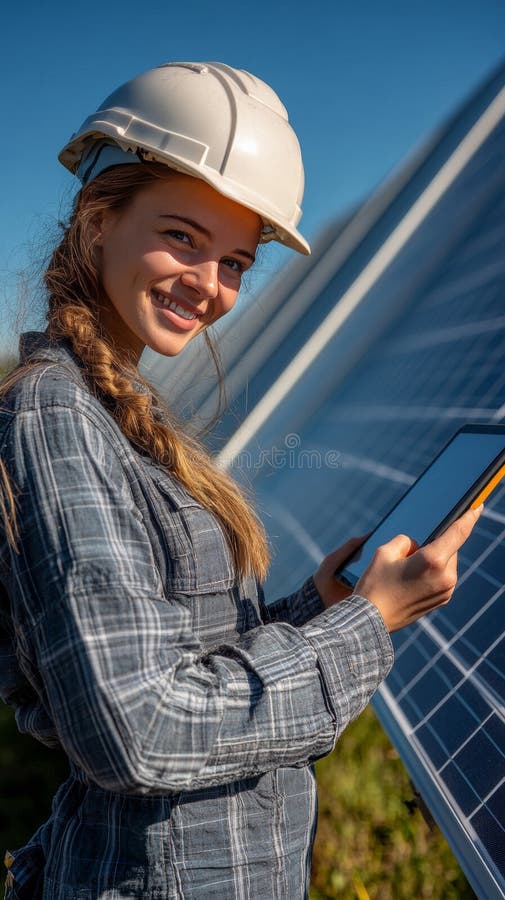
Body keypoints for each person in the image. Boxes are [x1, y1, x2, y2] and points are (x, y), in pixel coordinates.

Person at [0, 61, 481, 900]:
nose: (210, 287)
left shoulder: (115, 411)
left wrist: (318, 611)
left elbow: (174, 657)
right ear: (96, 218)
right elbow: (137, 727)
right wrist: (368, 624)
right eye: (182, 237)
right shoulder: (54, 414)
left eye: (234, 261)